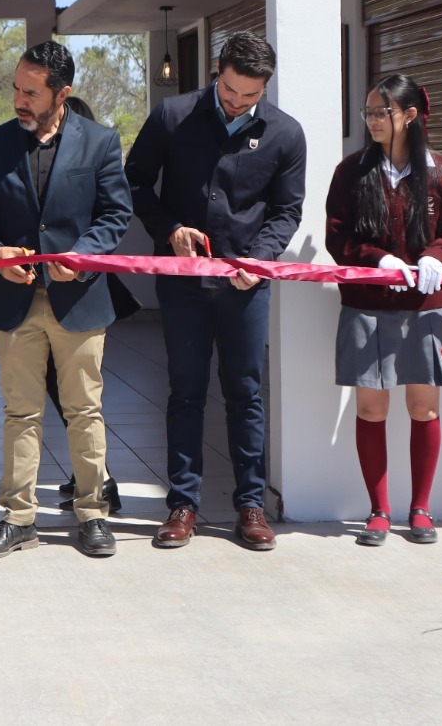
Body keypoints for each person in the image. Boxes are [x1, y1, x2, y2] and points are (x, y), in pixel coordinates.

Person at [124, 31, 304, 552]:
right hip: (182, 281)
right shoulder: (172, 116)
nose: (238, 103)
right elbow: (134, 182)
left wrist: (260, 258)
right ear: (216, 70)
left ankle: (251, 505)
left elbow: (287, 210)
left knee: (245, 392)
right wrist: (169, 229)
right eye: (230, 91)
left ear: (265, 88)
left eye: (251, 96)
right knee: (185, 390)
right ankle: (183, 504)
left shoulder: (286, 133)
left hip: (246, 284)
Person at [0, 41, 132, 559]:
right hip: (14, 301)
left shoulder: (100, 142)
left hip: (78, 300)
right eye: (17, 88)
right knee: (21, 413)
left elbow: (115, 215)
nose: (20, 99)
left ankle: (93, 514)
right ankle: (18, 519)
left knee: (84, 410)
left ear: (62, 93)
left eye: (31, 92)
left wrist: (82, 255)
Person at [325, 75, 442, 546]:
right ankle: (379, 510)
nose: (372, 120)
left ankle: (421, 509)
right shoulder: (351, 172)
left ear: (409, 115)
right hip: (367, 306)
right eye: (367, 112)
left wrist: (437, 256)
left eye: (380, 112)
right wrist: (378, 260)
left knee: (423, 408)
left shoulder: (441, 173)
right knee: (371, 407)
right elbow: (338, 237)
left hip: (426, 307)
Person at [45, 95, 134, 514]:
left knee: (79, 401)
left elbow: (112, 218)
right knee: (63, 396)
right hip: (40, 297)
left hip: (79, 297)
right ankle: (88, 475)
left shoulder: (94, 155)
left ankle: (102, 483)